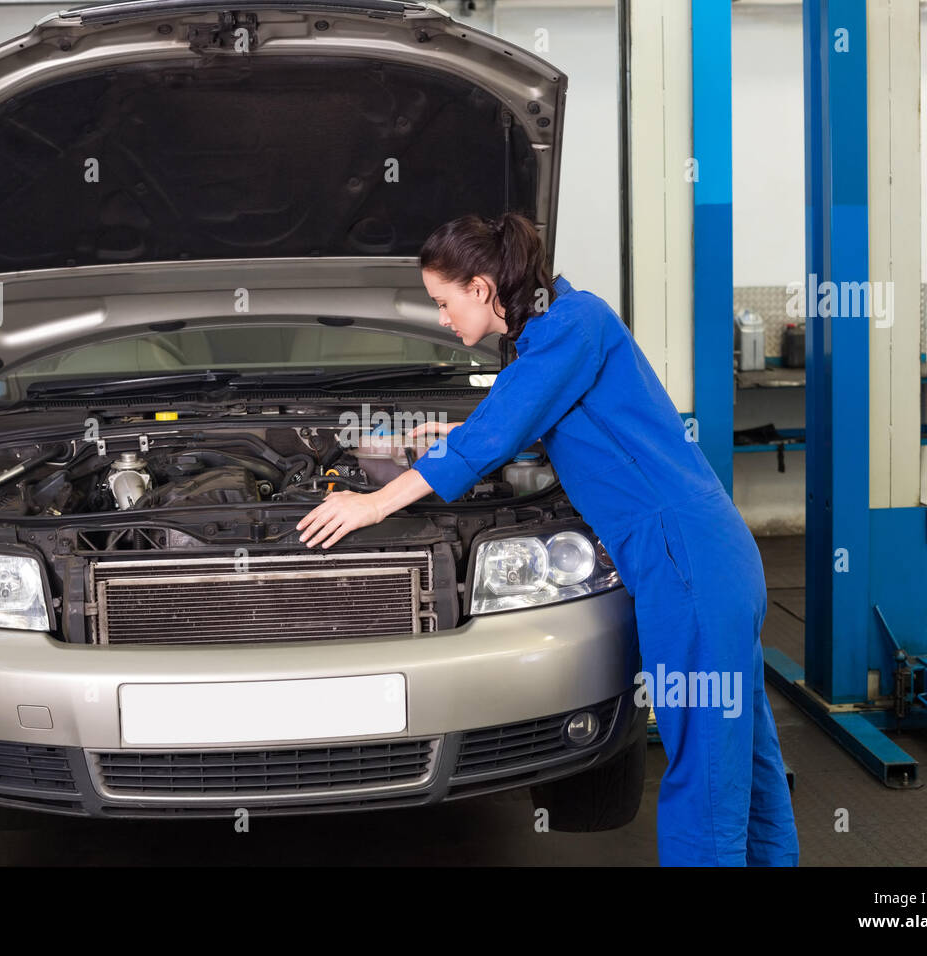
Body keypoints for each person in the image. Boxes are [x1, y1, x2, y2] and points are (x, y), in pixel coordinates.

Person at [295, 211, 799, 866]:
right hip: (707, 556)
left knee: (704, 772)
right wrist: (427, 441)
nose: (443, 320)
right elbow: (529, 415)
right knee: (744, 756)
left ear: (480, 288)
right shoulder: (557, 331)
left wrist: (373, 505)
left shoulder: (571, 325)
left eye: (443, 303)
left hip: (685, 563)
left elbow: (495, 432)